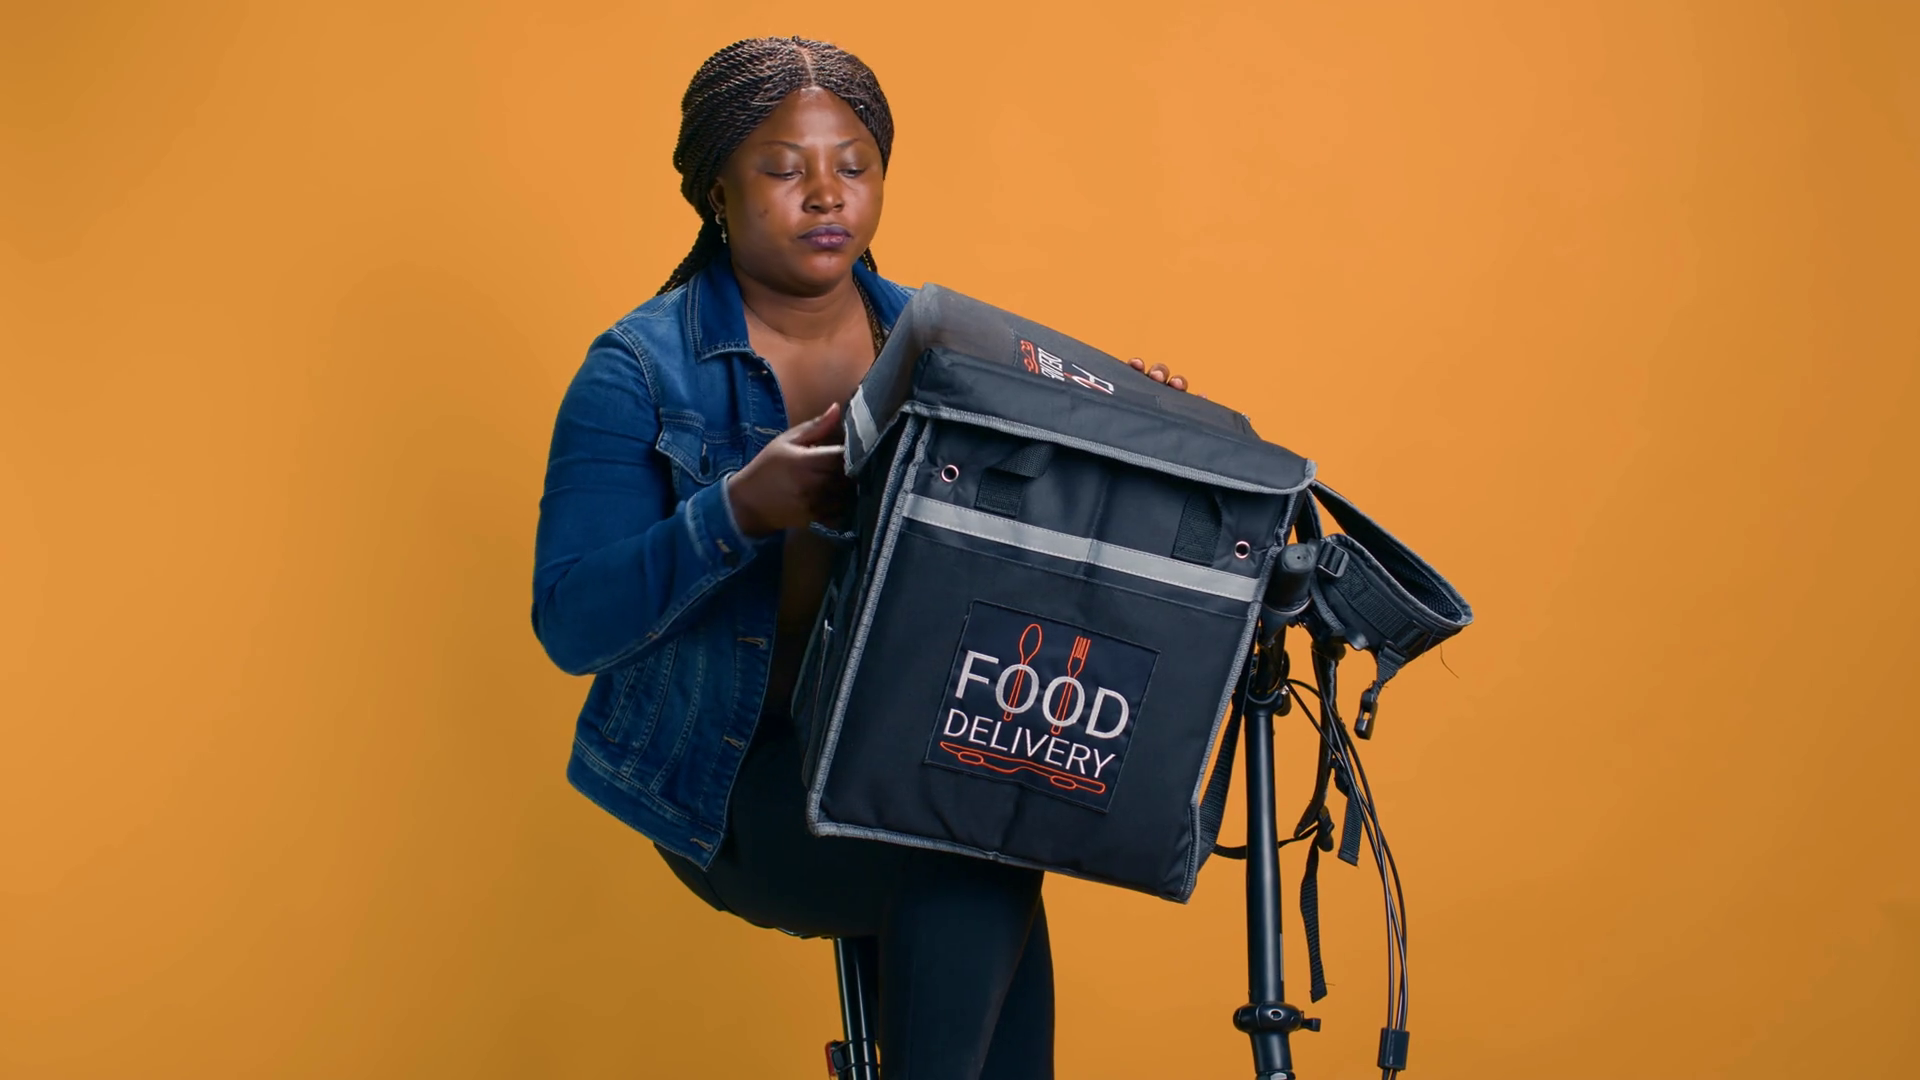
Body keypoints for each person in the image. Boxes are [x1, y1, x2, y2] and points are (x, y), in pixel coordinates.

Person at [530, 36, 1189, 1080]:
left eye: (855, 165)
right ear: (716, 189)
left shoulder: (954, 352)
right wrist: (738, 511)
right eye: (783, 168)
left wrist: (1135, 443)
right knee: (977, 853)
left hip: (920, 756)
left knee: (988, 833)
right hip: (737, 778)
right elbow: (570, 622)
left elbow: (1044, 553)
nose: (826, 194)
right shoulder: (638, 372)